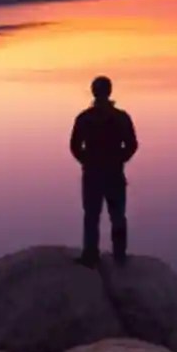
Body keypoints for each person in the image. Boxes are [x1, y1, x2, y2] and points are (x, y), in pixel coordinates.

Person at [69, 76, 138, 267]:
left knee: (92, 216)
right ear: (109, 91)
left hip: (94, 174)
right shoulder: (121, 117)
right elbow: (132, 145)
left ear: (94, 92)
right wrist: (119, 160)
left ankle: (91, 255)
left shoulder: (85, 118)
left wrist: (87, 161)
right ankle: (119, 255)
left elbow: (75, 147)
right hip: (112, 173)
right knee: (116, 215)